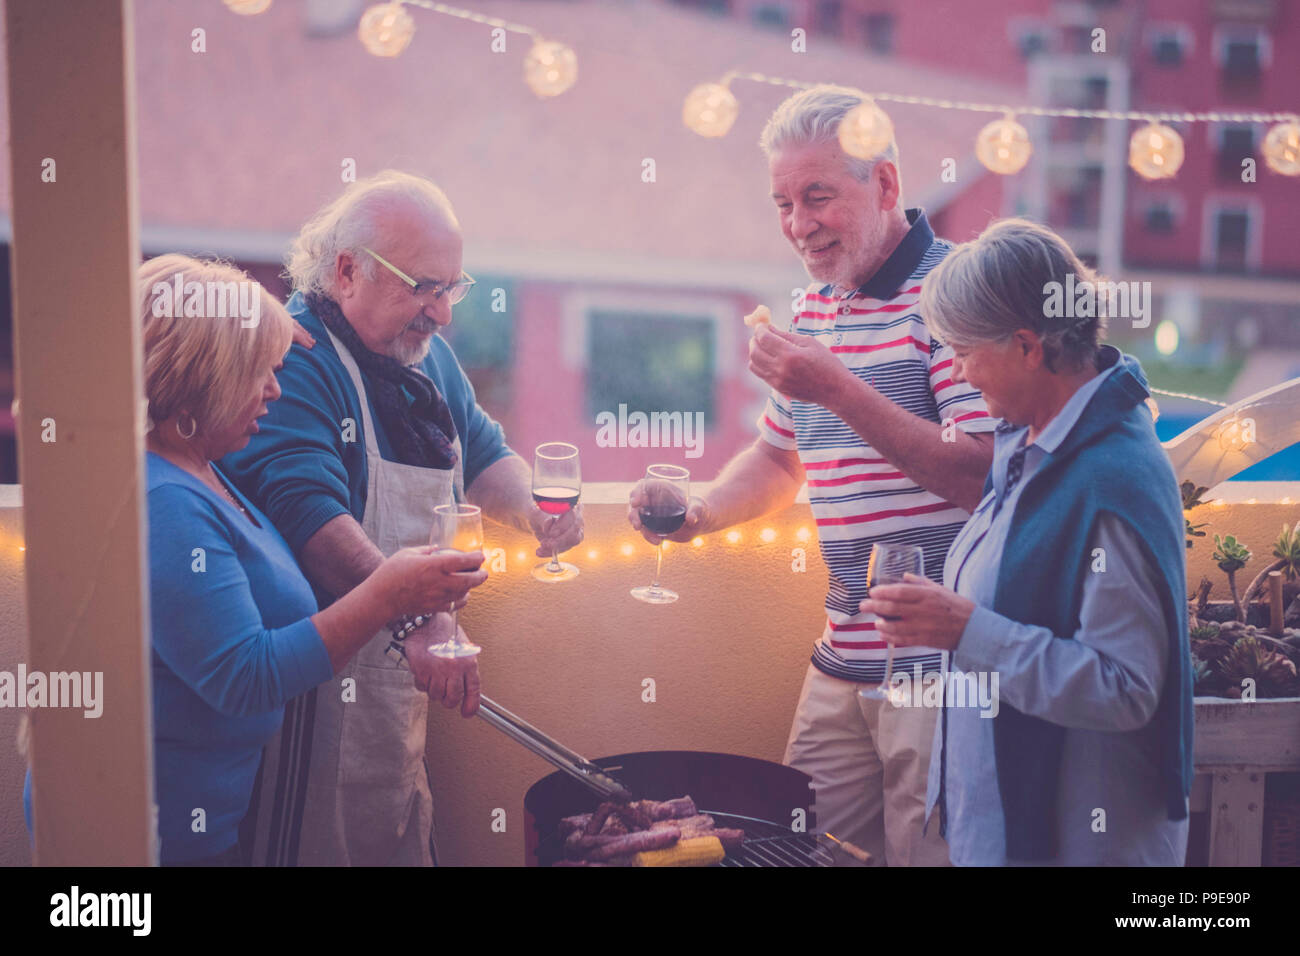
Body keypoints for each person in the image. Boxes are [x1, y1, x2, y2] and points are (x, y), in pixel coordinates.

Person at [628, 85, 996, 865]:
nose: (799, 225)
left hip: (940, 674)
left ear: (886, 185)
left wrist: (835, 386)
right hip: (839, 664)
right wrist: (698, 512)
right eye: (783, 203)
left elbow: (980, 473)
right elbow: (778, 458)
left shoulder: (958, 295)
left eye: (818, 196)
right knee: (805, 857)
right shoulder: (814, 312)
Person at [20, 254, 488, 865]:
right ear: (201, 378)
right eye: (258, 372)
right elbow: (245, 678)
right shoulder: (162, 500)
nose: (276, 388)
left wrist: (259, 326)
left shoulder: (200, 467)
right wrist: (388, 595)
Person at [222, 170, 583, 866]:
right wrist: (420, 618)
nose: (442, 312)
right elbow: (310, 517)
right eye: (422, 286)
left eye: (452, 287)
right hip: (314, 693)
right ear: (347, 270)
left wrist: (537, 510)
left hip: (404, 685)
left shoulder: (427, 356)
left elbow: (482, 454)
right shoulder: (296, 357)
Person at [862, 219, 1194, 865]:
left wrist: (966, 630)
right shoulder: (1033, 447)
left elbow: (1124, 688)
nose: (956, 370)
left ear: (1025, 346)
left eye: (962, 351)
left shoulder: (1109, 478)